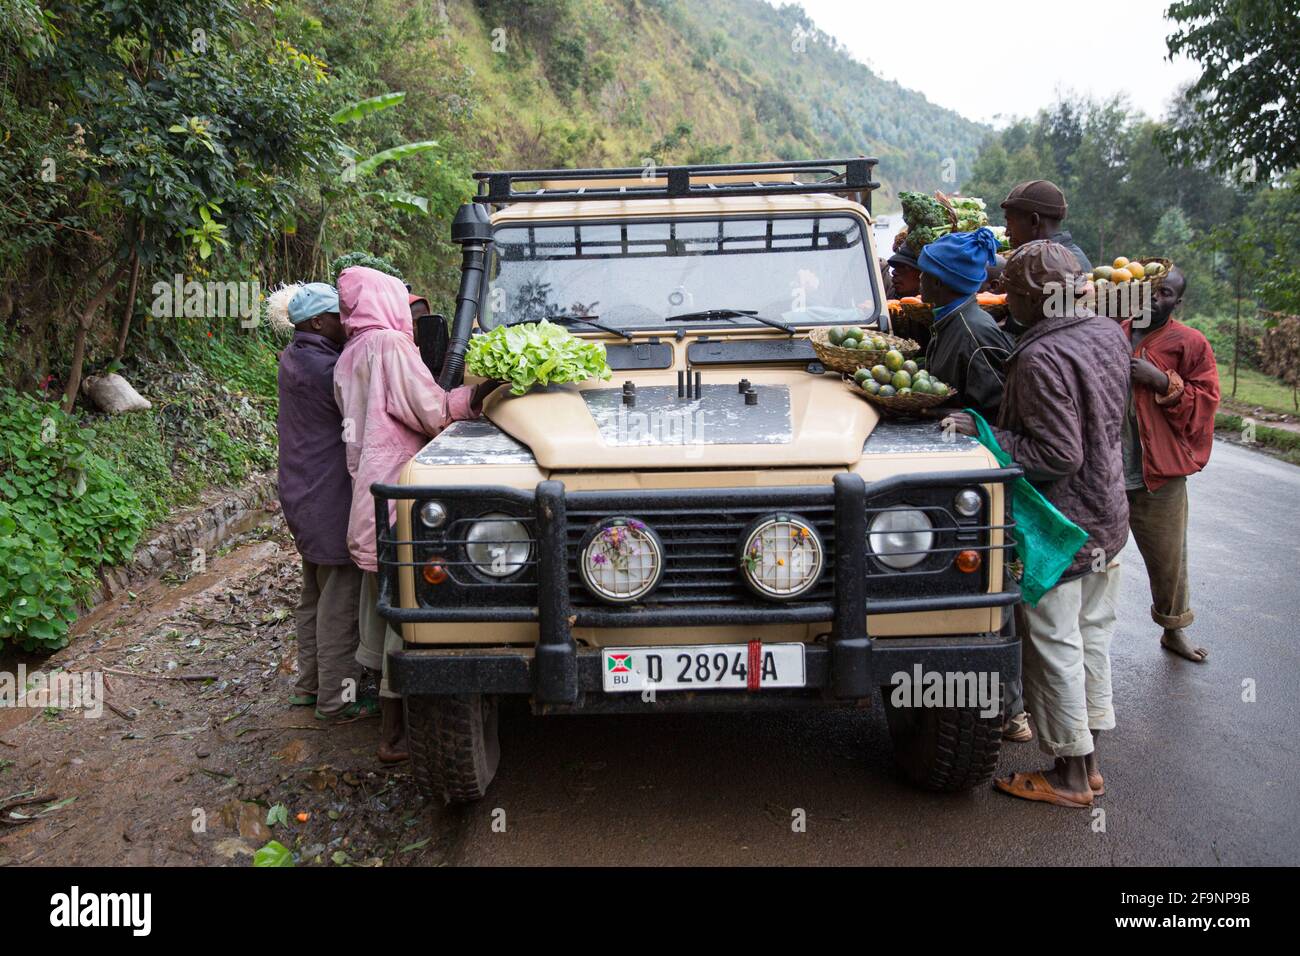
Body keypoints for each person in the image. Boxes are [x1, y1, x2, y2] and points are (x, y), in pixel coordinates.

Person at [943, 240, 1130, 808]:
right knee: (1091, 637)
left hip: (1063, 527)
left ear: (1036, 298)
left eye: (1015, 293)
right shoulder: (1104, 333)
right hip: (1108, 516)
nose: (1007, 301)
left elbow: (1056, 454)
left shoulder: (1039, 357)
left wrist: (981, 433)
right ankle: (1087, 762)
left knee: (1053, 646)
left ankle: (1071, 777)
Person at [333, 266, 499, 762]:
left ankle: (377, 721)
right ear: (386, 302)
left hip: (367, 493)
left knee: (379, 606)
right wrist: (480, 394)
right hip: (399, 499)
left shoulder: (350, 354)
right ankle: (395, 737)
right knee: (405, 618)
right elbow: (432, 412)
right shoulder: (389, 347)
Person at [275, 283, 370, 720]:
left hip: (302, 494)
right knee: (341, 600)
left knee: (313, 594)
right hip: (330, 498)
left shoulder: (293, 357)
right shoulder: (328, 369)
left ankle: (309, 686)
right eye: (338, 315)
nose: (345, 321)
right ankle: (338, 699)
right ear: (317, 322)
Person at [1121, 267, 1219, 663]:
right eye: (1146, 290)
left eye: (1163, 293)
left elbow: (1207, 401)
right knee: (1092, 560)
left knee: (1168, 557)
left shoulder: (1190, 343)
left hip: (1157, 474)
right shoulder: (1112, 332)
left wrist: (1161, 381)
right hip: (1104, 471)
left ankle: (1173, 629)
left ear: (1177, 302)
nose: (1152, 298)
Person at [917, 226, 1014, 420]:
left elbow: (1000, 412)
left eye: (924, 273)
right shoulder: (950, 321)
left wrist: (934, 412)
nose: (920, 278)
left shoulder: (973, 332)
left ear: (938, 282)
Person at [1000, 180, 1093, 273]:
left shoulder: (1044, 266)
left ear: (1034, 221)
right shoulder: (1075, 256)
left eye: (1010, 222)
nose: (1007, 233)